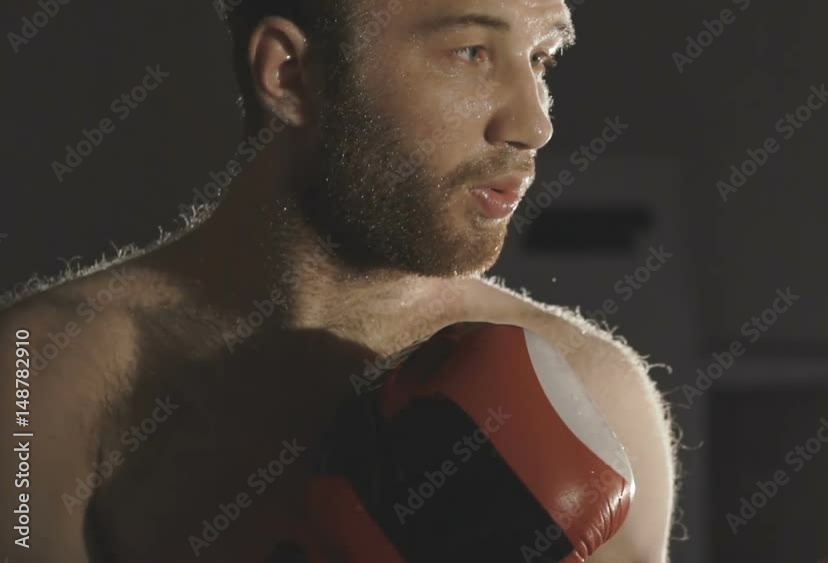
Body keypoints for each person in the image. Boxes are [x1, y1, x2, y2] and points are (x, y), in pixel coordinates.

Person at [0, 0, 677, 561]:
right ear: (291, 75)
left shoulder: (595, 398)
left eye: (542, 59)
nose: (534, 124)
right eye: (471, 52)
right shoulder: (41, 376)